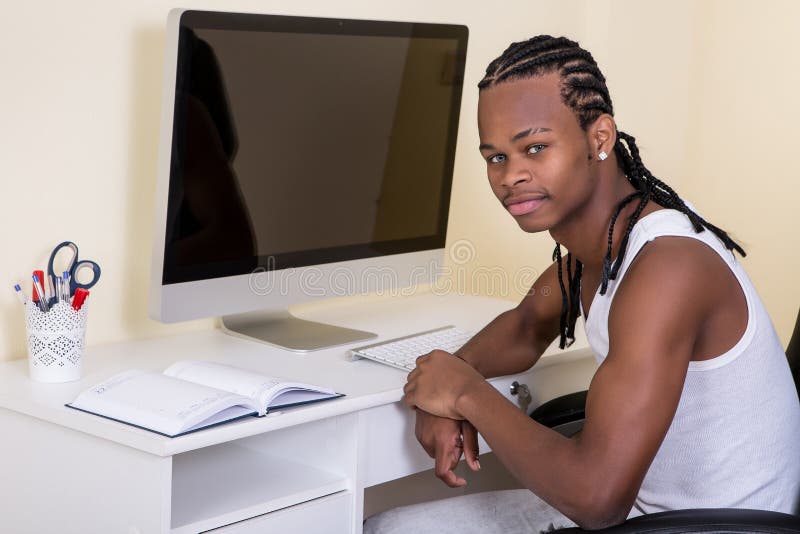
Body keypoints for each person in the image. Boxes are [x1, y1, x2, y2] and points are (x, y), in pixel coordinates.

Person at [363, 35, 800, 533]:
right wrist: (443, 383)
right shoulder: (604, 250)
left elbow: (597, 499)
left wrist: (463, 395)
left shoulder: (667, 269)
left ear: (600, 137)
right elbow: (528, 325)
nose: (511, 176)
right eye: (496, 157)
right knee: (391, 526)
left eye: (534, 147)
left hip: (701, 526)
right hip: (651, 513)